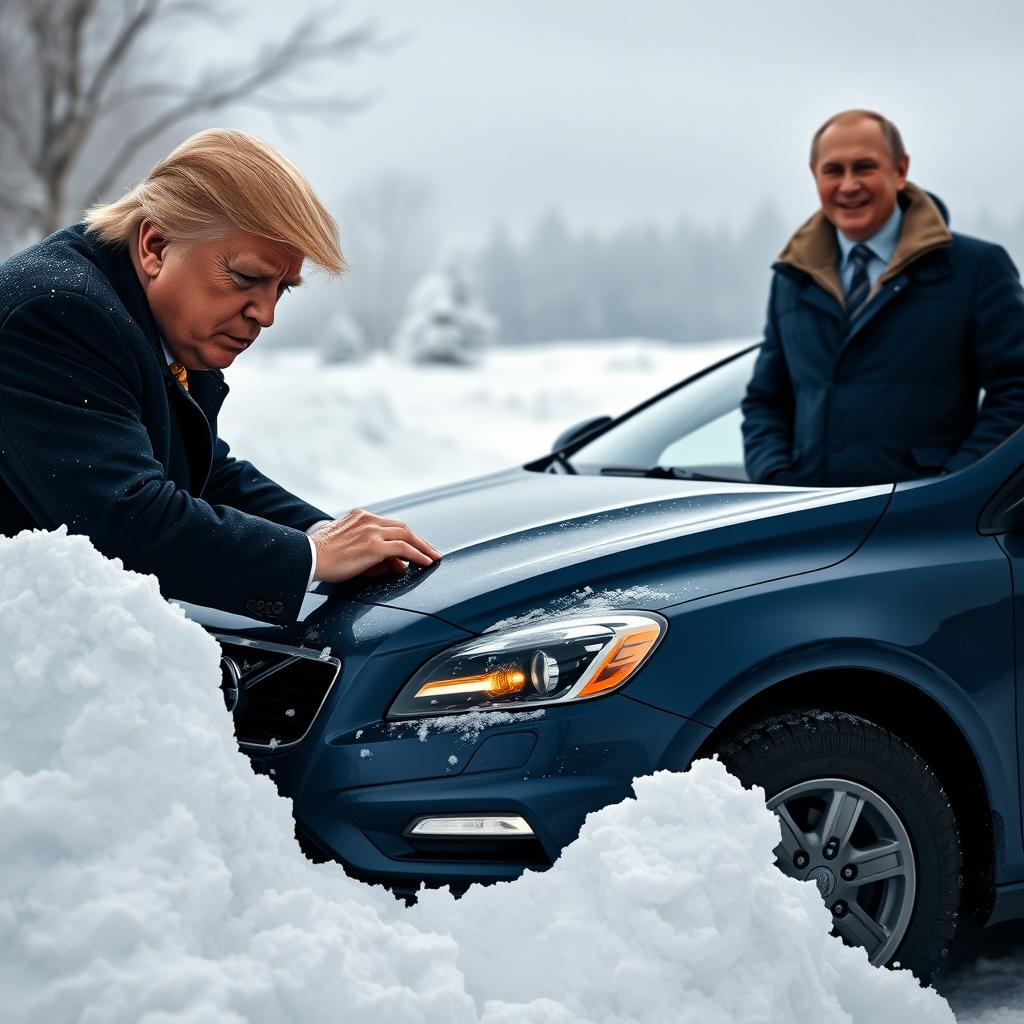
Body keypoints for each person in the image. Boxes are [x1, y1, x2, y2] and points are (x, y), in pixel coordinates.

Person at [0, 129, 440, 625]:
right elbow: (125, 521)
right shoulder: (59, 314)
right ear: (156, 244)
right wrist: (311, 556)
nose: (265, 313)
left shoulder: (160, 321)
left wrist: (324, 532)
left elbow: (202, 470)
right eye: (247, 278)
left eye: (282, 289)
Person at [741, 109, 1024, 487]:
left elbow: (1017, 391)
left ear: (900, 169)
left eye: (864, 167)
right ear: (814, 175)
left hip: (924, 526)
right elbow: (765, 400)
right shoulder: (792, 277)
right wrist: (775, 475)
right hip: (807, 521)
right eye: (833, 171)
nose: (848, 185)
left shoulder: (976, 269)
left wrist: (956, 482)